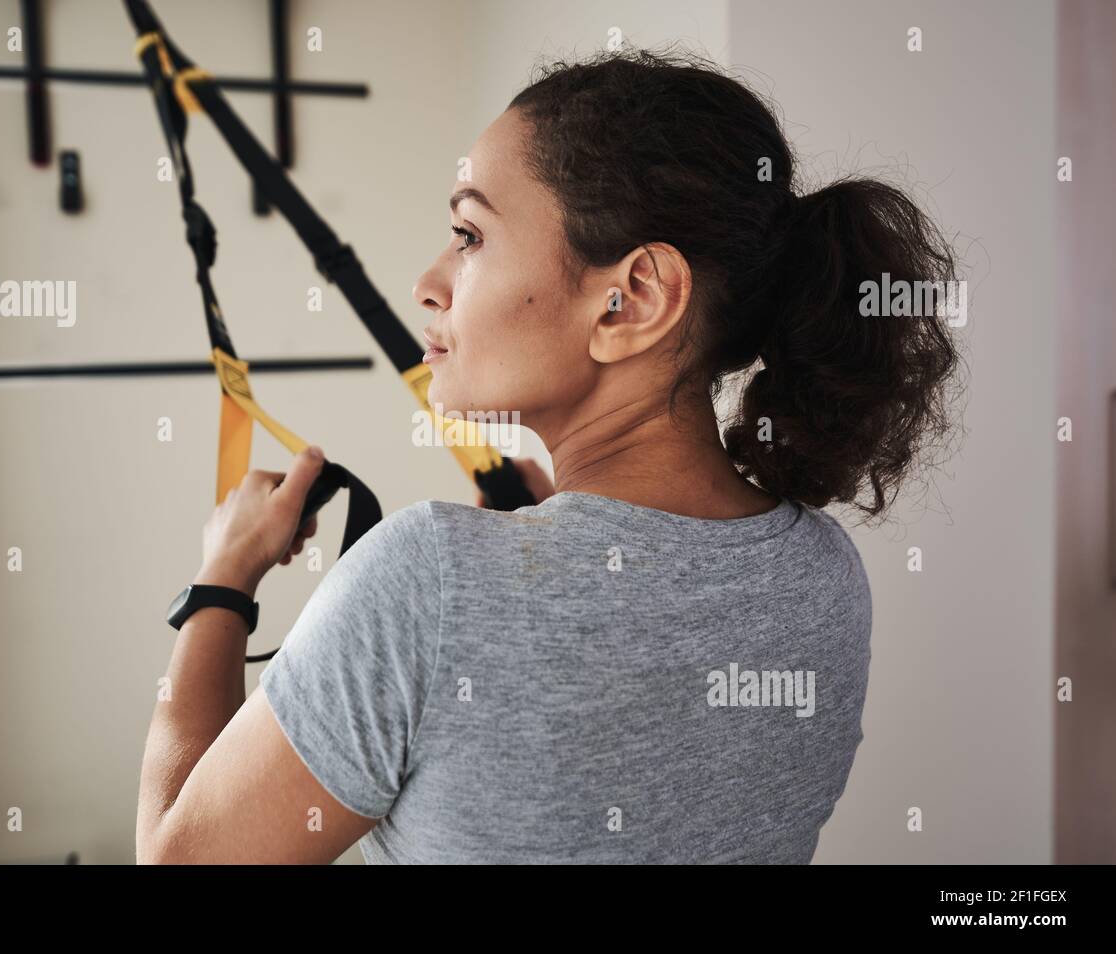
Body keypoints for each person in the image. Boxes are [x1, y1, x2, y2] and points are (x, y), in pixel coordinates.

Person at [135, 48, 960, 864]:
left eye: (469, 234)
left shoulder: (429, 581)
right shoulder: (827, 576)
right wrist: (537, 552)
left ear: (631, 300)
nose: (429, 282)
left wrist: (223, 579)